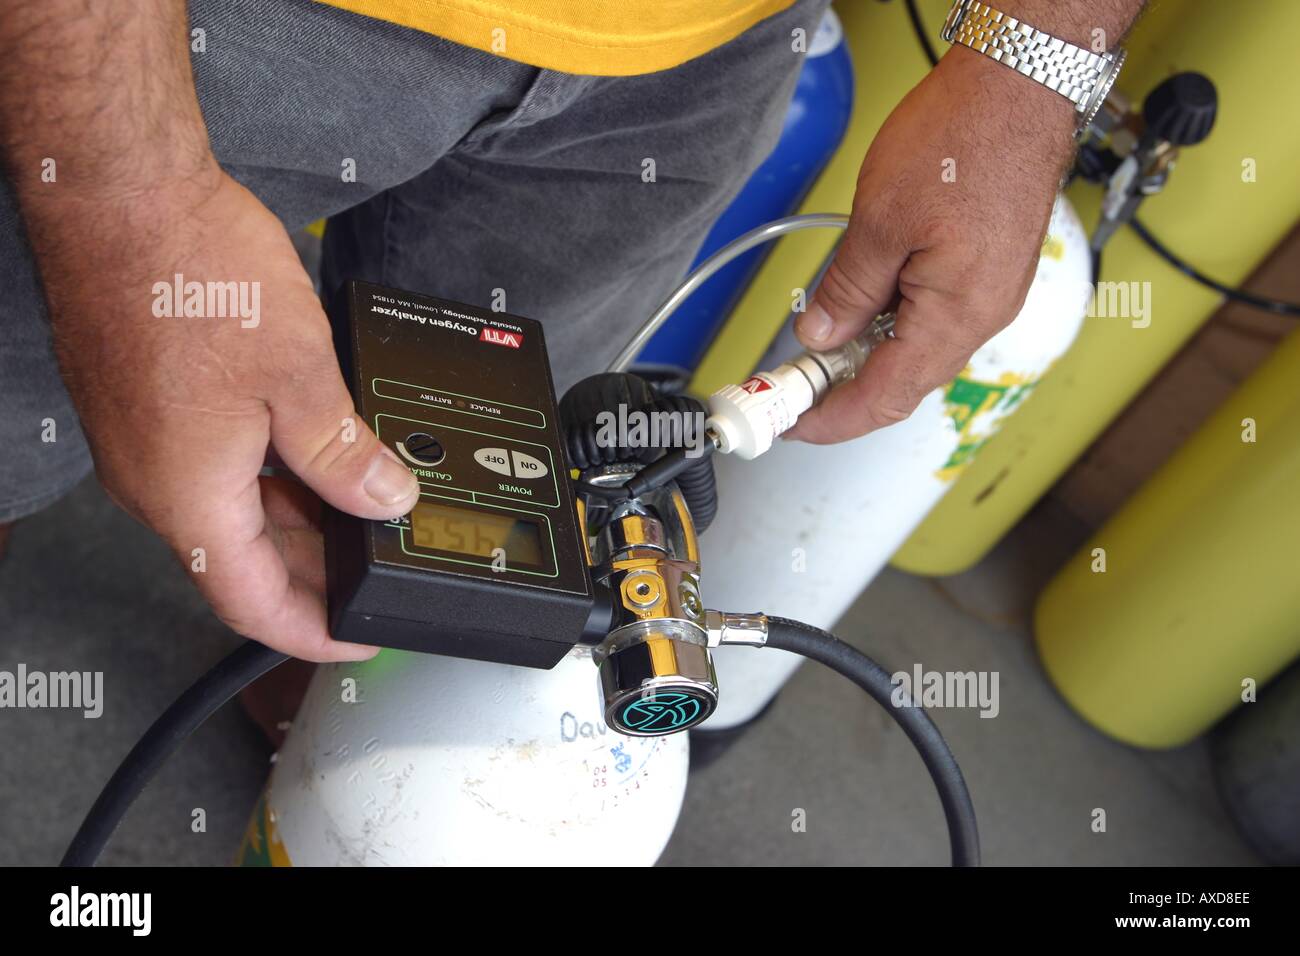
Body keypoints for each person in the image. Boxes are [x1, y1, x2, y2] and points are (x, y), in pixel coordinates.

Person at [0, 0, 1144, 662]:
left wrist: (1030, 67)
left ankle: (309, 751)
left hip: (701, 55)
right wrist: (117, 194)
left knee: (421, 566)